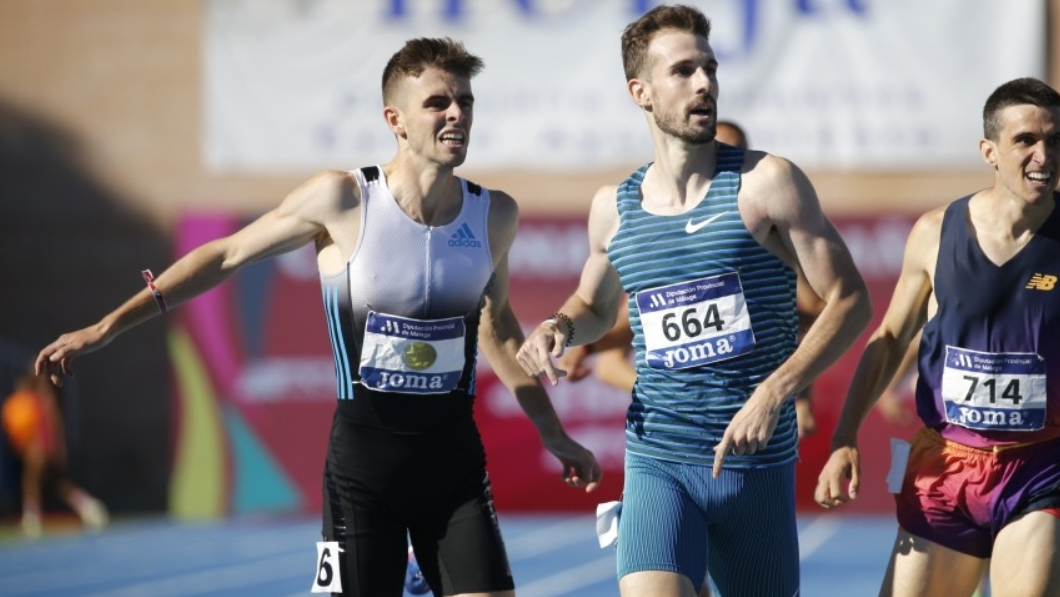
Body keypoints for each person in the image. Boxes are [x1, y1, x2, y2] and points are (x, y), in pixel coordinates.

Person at [36, 37, 601, 597]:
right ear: (395, 120)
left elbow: (497, 329)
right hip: (363, 472)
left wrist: (554, 434)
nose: (457, 114)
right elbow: (225, 254)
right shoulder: (344, 200)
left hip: (452, 465)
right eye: (437, 103)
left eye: (466, 102)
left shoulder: (494, 215)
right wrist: (106, 325)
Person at [516, 6, 871, 597]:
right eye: (683, 71)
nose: (705, 83)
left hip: (756, 465)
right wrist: (557, 326)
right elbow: (594, 306)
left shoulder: (766, 184)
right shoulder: (615, 207)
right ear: (642, 92)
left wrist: (774, 392)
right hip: (659, 457)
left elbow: (850, 301)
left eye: (709, 68)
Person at [815, 76, 1060, 597]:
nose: (1044, 154)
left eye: (1055, 140)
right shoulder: (935, 232)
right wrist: (844, 437)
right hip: (944, 470)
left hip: (1040, 468)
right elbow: (889, 337)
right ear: (989, 151)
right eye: (1026, 140)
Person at [558, 120, 821, 440]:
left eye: (734, 156)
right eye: (715, 154)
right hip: (676, 430)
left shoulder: (773, 234)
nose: (723, 165)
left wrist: (799, 394)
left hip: (757, 421)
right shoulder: (661, 247)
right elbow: (612, 359)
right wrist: (684, 401)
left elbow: (821, 318)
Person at [1, 366, 108, 538]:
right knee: (56, 483)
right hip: (43, 445)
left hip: (42, 445)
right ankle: (88, 505)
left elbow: (50, 423)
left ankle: (32, 520)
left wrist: (54, 446)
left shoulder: (43, 396)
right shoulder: (33, 398)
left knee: (31, 481)